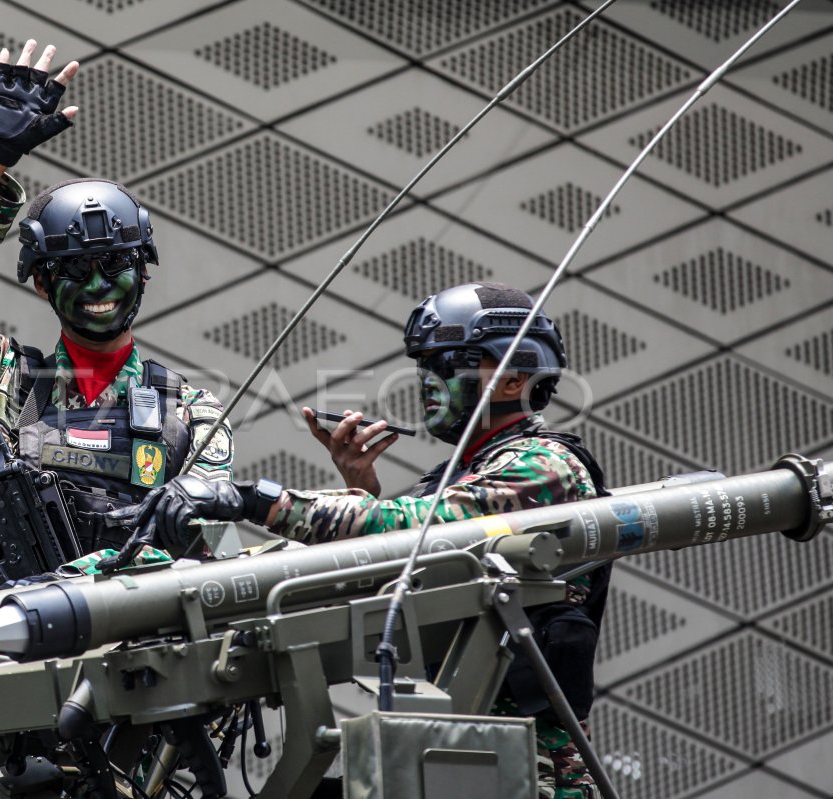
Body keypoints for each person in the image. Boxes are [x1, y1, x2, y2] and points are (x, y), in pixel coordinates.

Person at [108, 282, 609, 799]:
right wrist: (359, 489)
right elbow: (386, 569)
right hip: (456, 749)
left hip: (532, 766)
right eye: (423, 364)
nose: (427, 380)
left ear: (516, 379)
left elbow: (412, 530)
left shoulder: (547, 468)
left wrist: (253, 500)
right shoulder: (463, 473)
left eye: (450, 361)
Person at [0, 38, 233, 590]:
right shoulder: (0, 379)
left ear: (144, 270)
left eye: (113, 263)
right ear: (42, 284)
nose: (98, 284)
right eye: (74, 269)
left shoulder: (192, 413)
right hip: (5, 640)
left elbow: (213, 550)